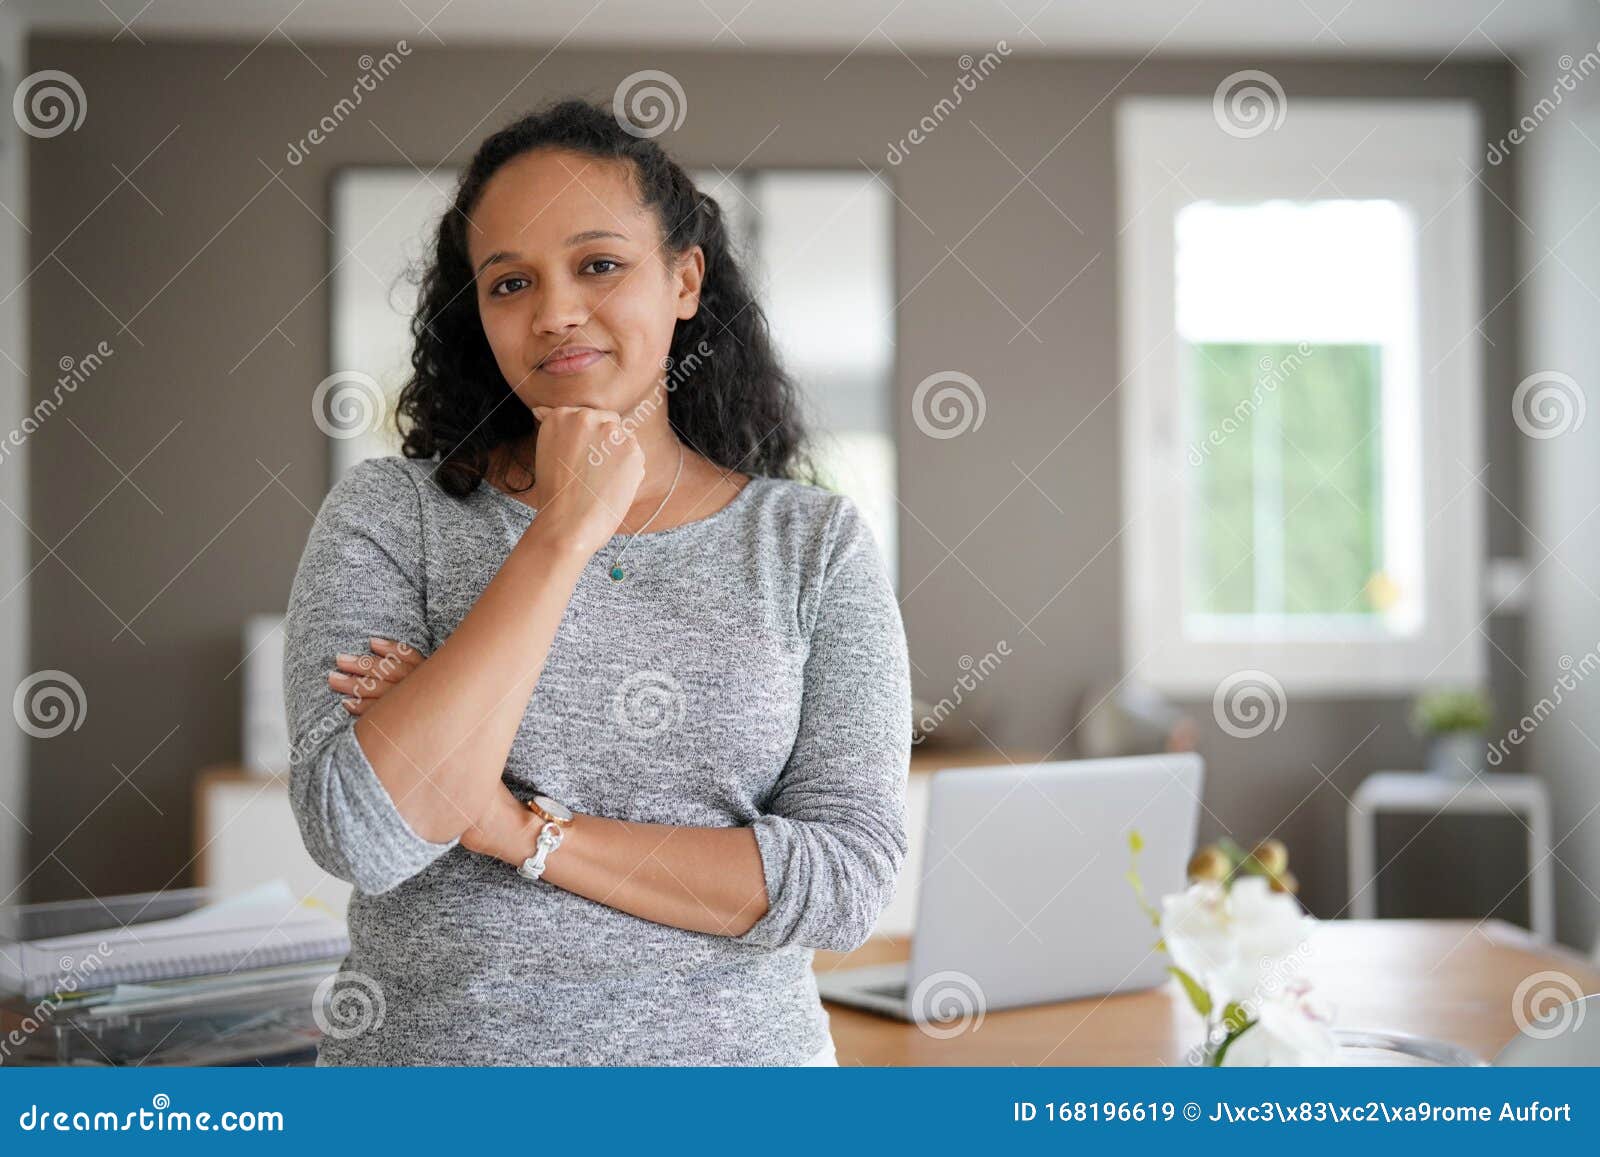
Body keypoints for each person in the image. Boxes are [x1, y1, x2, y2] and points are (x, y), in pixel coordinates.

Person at [281, 98, 910, 1066]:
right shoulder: (390, 513)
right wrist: (564, 531)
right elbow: (365, 834)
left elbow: (839, 888)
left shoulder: (810, 542)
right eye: (508, 282)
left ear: (685, 279)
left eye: (600, 264)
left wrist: (503, 823)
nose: (555, 310)